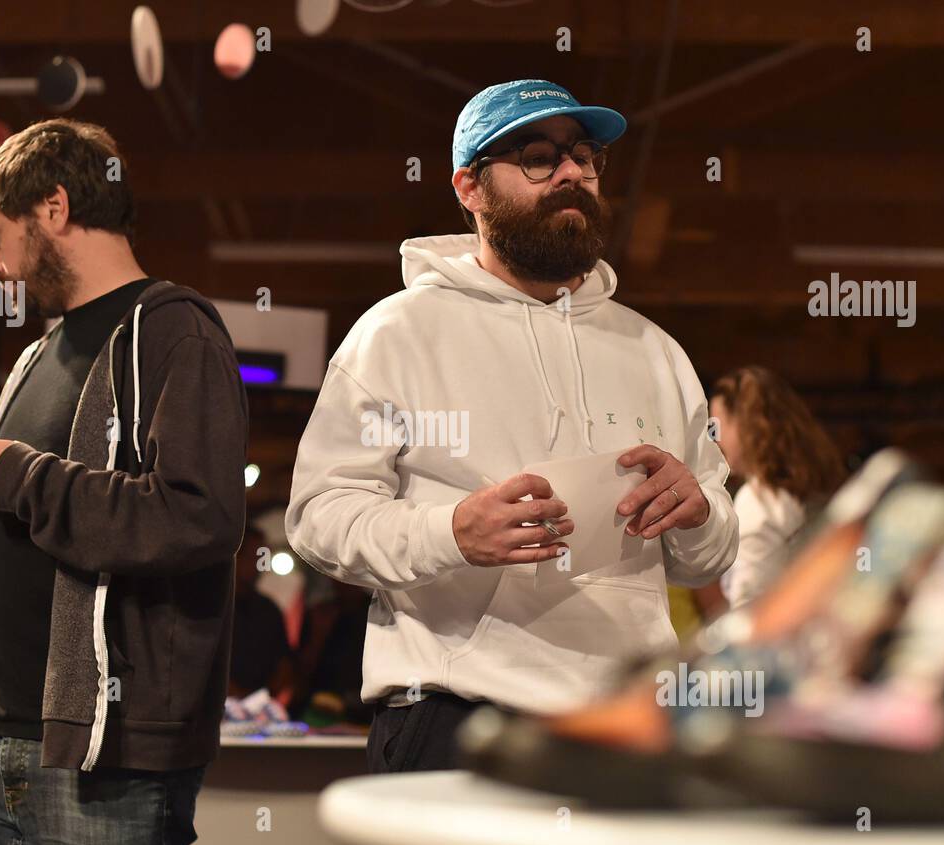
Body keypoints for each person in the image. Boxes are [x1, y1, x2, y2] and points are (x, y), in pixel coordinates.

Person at [286, 80, 738, 777]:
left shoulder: (657, 350)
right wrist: (451, 532)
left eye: (585, 157)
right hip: (457, 723)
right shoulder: (395, 334)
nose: (570, 174)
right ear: (469, 187)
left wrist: (700, 510)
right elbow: (319, 515)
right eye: (537, 156)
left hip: (626, 728)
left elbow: (705, 557)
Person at [0, 119, 248, 845]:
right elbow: (41, 516)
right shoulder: (35, 354)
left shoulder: (174, 332)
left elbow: (198, 518)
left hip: (105, 754)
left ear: (53, 209)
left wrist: (19, 475)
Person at [708, 365, 845, 609]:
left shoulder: (758, 499)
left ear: (743, 424)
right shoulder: (812, 484)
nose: (714, 440)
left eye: (717, 427)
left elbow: (749, 604)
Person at [229, 524, 294, 698]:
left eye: (263, 557)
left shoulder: (268, 609)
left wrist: (262, 698)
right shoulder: (214, 605)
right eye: (254, 556)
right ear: (236, 555)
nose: (260, 564)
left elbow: (284, 662)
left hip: (260, 706)